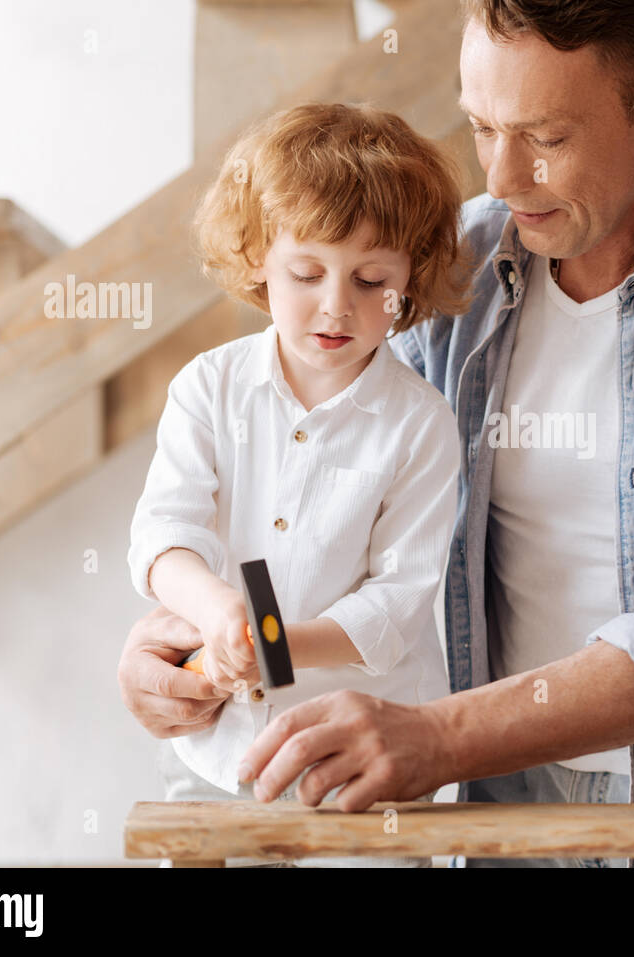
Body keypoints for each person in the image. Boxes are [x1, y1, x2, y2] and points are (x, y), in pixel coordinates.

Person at [120, 0, 634, 869]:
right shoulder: (457, 263)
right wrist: (180, 642)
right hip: (497, 820)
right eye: (482, 127)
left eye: (545, 137)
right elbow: (321, 497)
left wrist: (438, 738)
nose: (506, 178)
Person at [125, 101, 471, 867]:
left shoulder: (420, 425)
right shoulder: (208, 389)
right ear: (256, 256)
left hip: (361, 772)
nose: (337, 305)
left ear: (409, 276)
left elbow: (394, 604)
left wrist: (273, 644)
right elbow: (163, 536)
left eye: (371, 277)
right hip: (217, 759)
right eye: (307, 272)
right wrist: (221, 616)